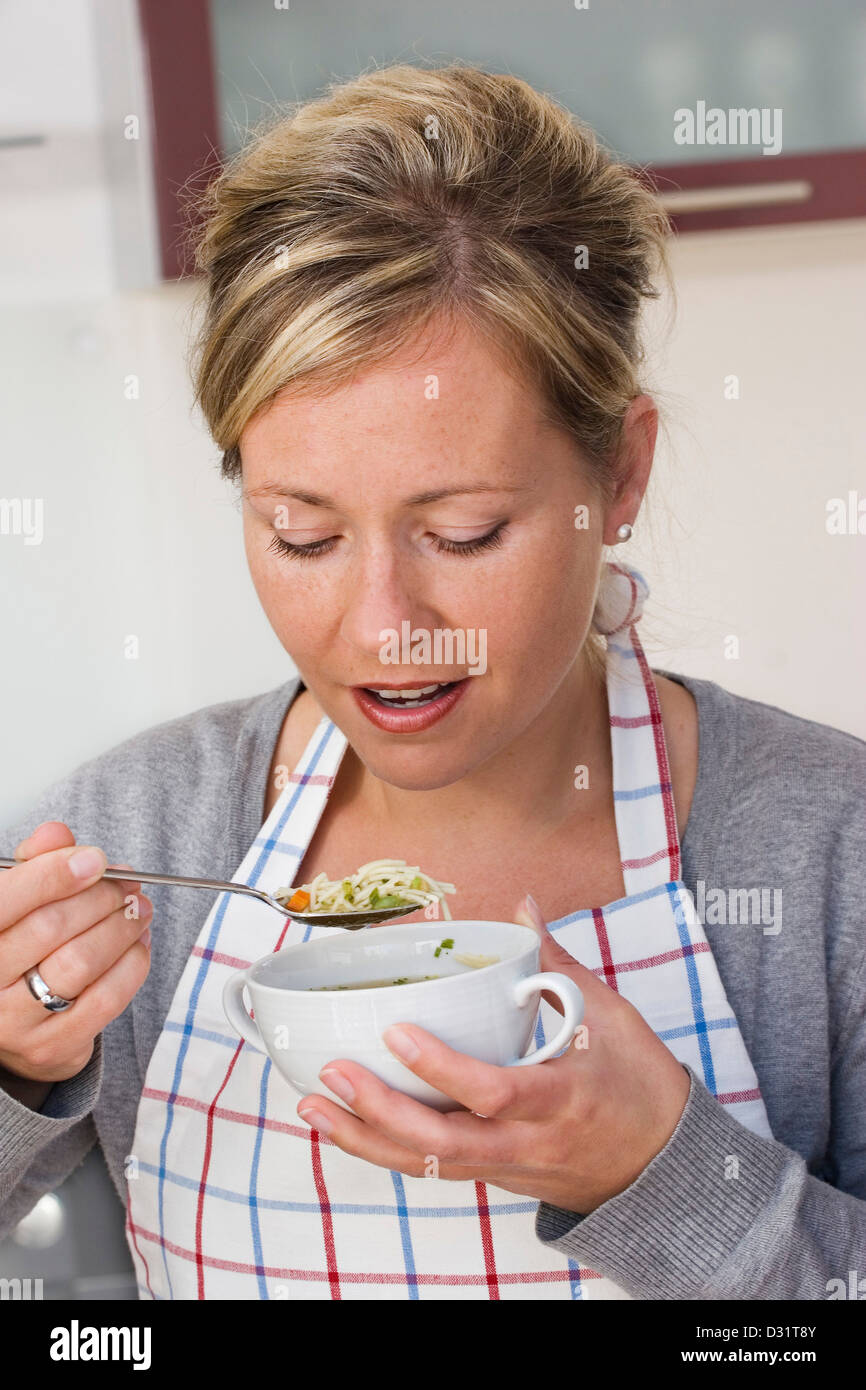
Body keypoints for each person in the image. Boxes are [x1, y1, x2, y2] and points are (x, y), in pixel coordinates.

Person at [1, 63, 863, 1301]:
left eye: (460, 533)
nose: (379, 627)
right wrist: (9, 1073)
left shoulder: (827, 858)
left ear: (618, 474)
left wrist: (668, 1172)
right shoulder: (134, 841)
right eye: (300, 534)